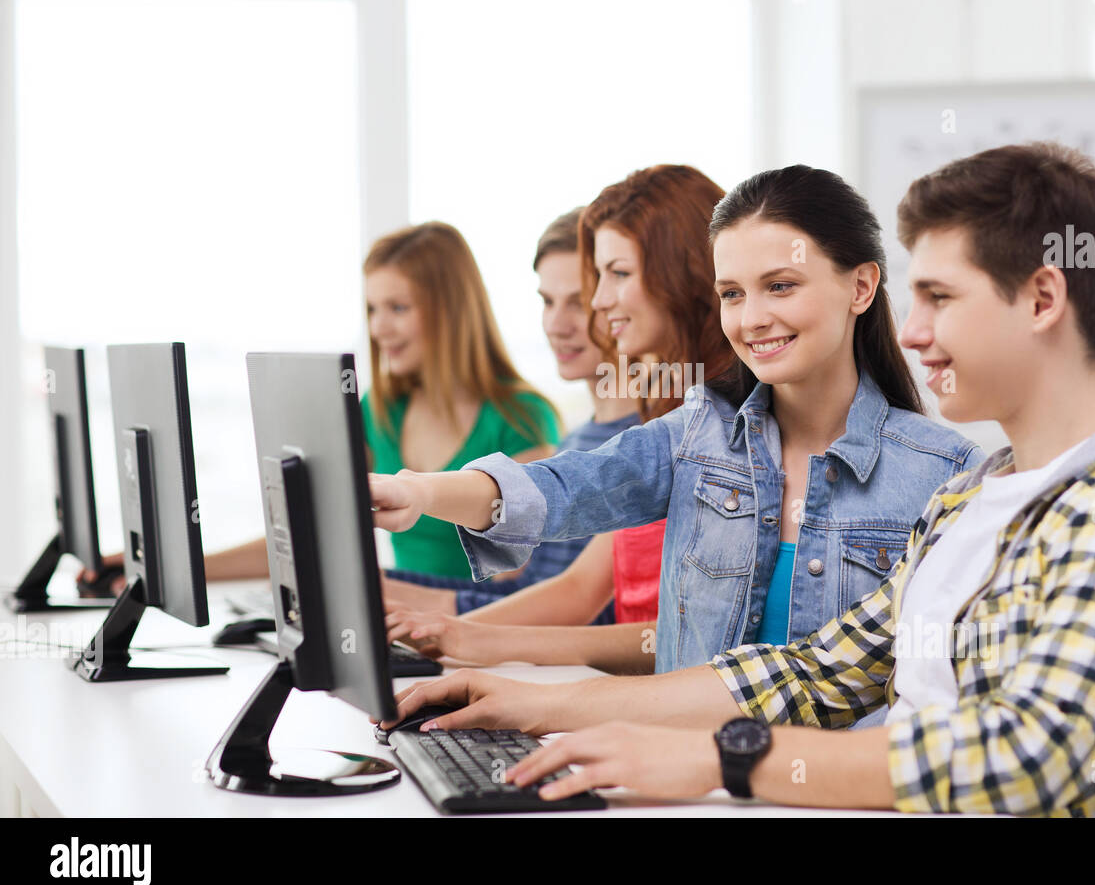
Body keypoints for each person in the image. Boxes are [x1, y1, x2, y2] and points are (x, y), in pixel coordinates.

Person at [373, 144, 1095, 818]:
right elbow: (815, 672)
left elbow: (1029, 755)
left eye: (940, 297)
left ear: (1043, 299)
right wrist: (531, 706)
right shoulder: (978, 499)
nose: (917, 329)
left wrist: (724, 758)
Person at [370, 164, 982, 682]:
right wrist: (418, 491)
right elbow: (566, 488)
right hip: (690, 786)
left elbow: (927, 697)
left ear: (861, 286)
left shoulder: (947, 476)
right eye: (733, 294)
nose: (752, 318)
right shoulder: (697, 434)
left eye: (780, 286)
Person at [384, 164, 742, 670]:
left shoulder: (724, 422)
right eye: (551, 301)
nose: (595, 306)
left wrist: (464, 638)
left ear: (680, 274)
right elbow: (563, 502)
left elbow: (607, 611)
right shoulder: (673, 422)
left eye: (614, 276)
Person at [88, 221, 563, 596]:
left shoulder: (521, 419)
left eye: (398, 308)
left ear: (450, 310)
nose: (380, 328)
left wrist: (382, 594)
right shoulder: (380, 411)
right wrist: (175, 569)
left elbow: (512, 596)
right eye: (373, 309)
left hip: (471, 646)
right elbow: (306, 534)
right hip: (406, 627)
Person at [380, 206, 641, 618]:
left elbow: (582, 613)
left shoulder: (645, 446)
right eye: (547, 301)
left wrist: (406, 603)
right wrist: (388, 590)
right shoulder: (574, 444)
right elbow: (523, 594)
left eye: (578, 303)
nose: (556, 325)